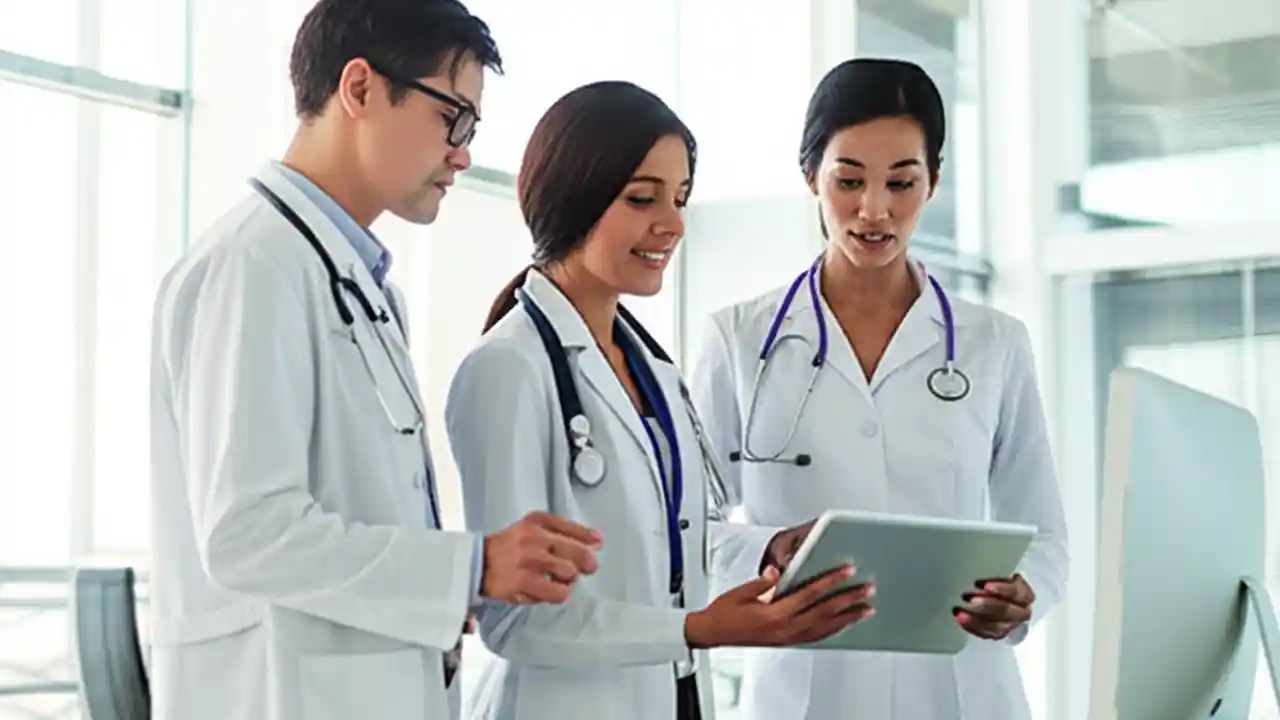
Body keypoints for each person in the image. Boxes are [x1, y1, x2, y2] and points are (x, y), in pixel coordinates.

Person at [148, 2, 602, 719]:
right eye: (452, 117)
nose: (462, 153)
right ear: (358, 89)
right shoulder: (254, 265)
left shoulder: (364, 284)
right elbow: (246, 532)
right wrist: (470, 567)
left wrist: (458, 583)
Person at [444, 81, 876, 720]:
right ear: (575, 197)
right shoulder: (508, 369)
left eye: (679, 198)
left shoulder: (653, 370)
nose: (671, 224)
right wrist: (693, 629)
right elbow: (512, 622)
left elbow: (666, 544)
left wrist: (771, 549)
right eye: (642, 198)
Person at [689, 58, 1069, 720]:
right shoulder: (738, 338)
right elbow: (688, 528)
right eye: (849, 181)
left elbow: (1045, 533)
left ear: (935, 181)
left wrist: (1024, 592)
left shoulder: (994, 343)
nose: (875, 210)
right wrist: (770, 550)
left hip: (962, 690)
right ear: (810, 175)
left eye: (902, 182)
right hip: (804, 691)